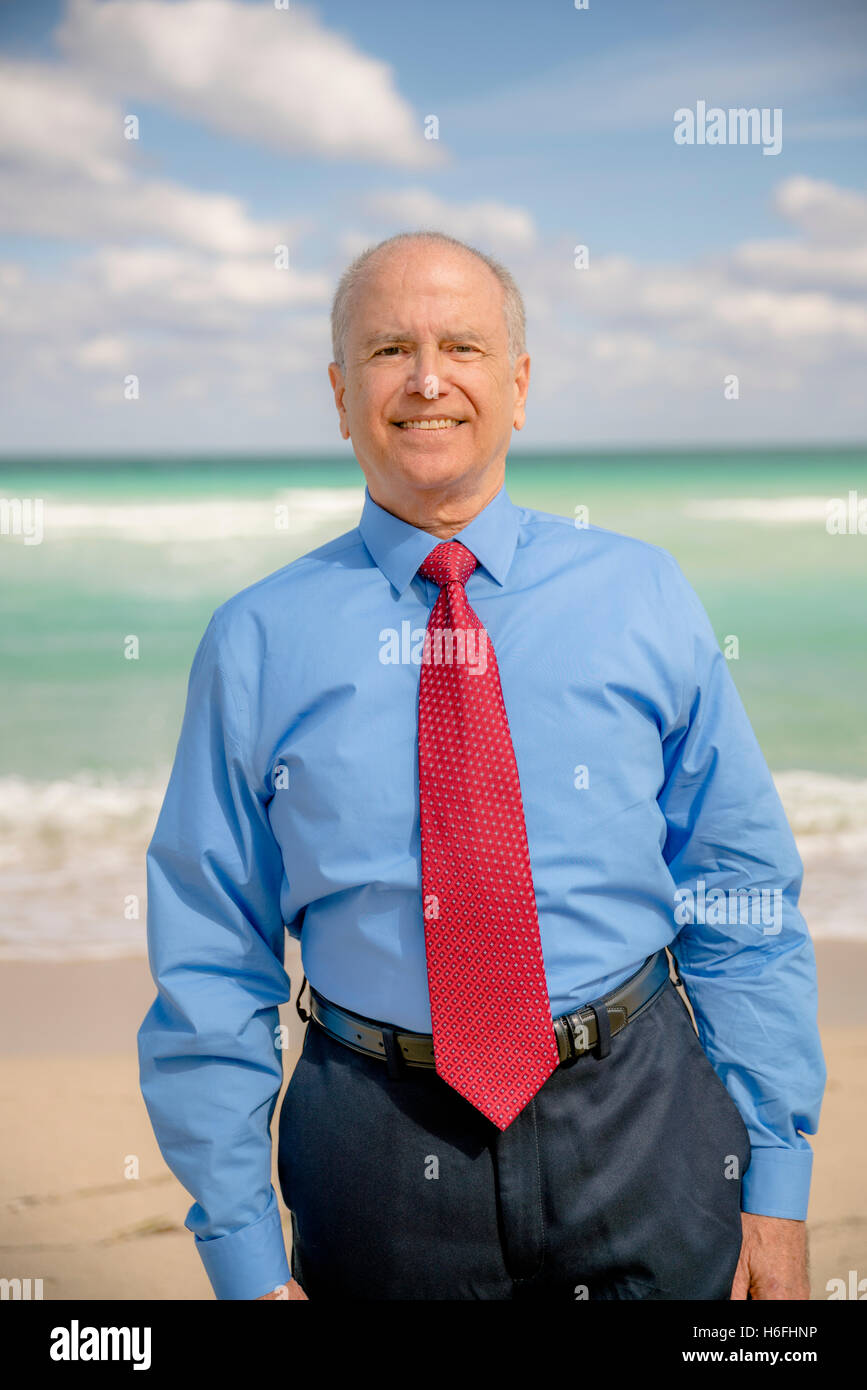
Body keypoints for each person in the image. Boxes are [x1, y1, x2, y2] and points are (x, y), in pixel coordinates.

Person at [138, 230, 826, 1301]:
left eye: (461, 345)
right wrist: (244, 1255)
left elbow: (740, 894)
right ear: (340, 394)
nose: (427, 380)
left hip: (643, 1117)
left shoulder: (642, 594)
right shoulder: (256, 640)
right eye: (388, 350)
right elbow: (213, 952)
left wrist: (776, 1176)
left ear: (519, 384)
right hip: (374, 1143)